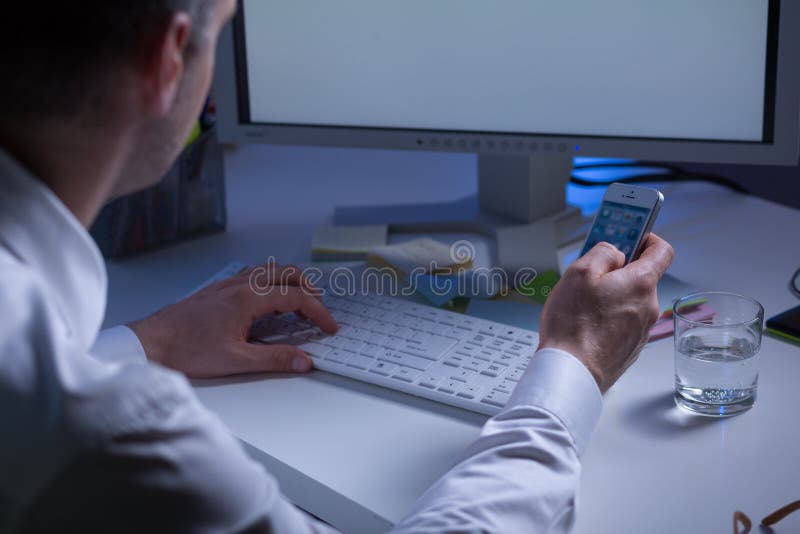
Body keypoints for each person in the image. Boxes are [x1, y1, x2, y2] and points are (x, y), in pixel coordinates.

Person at [0, 1, 674, 532]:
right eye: (225, 28)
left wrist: (145, 344)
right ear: (168, 60)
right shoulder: (113, 440)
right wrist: (571, 367)